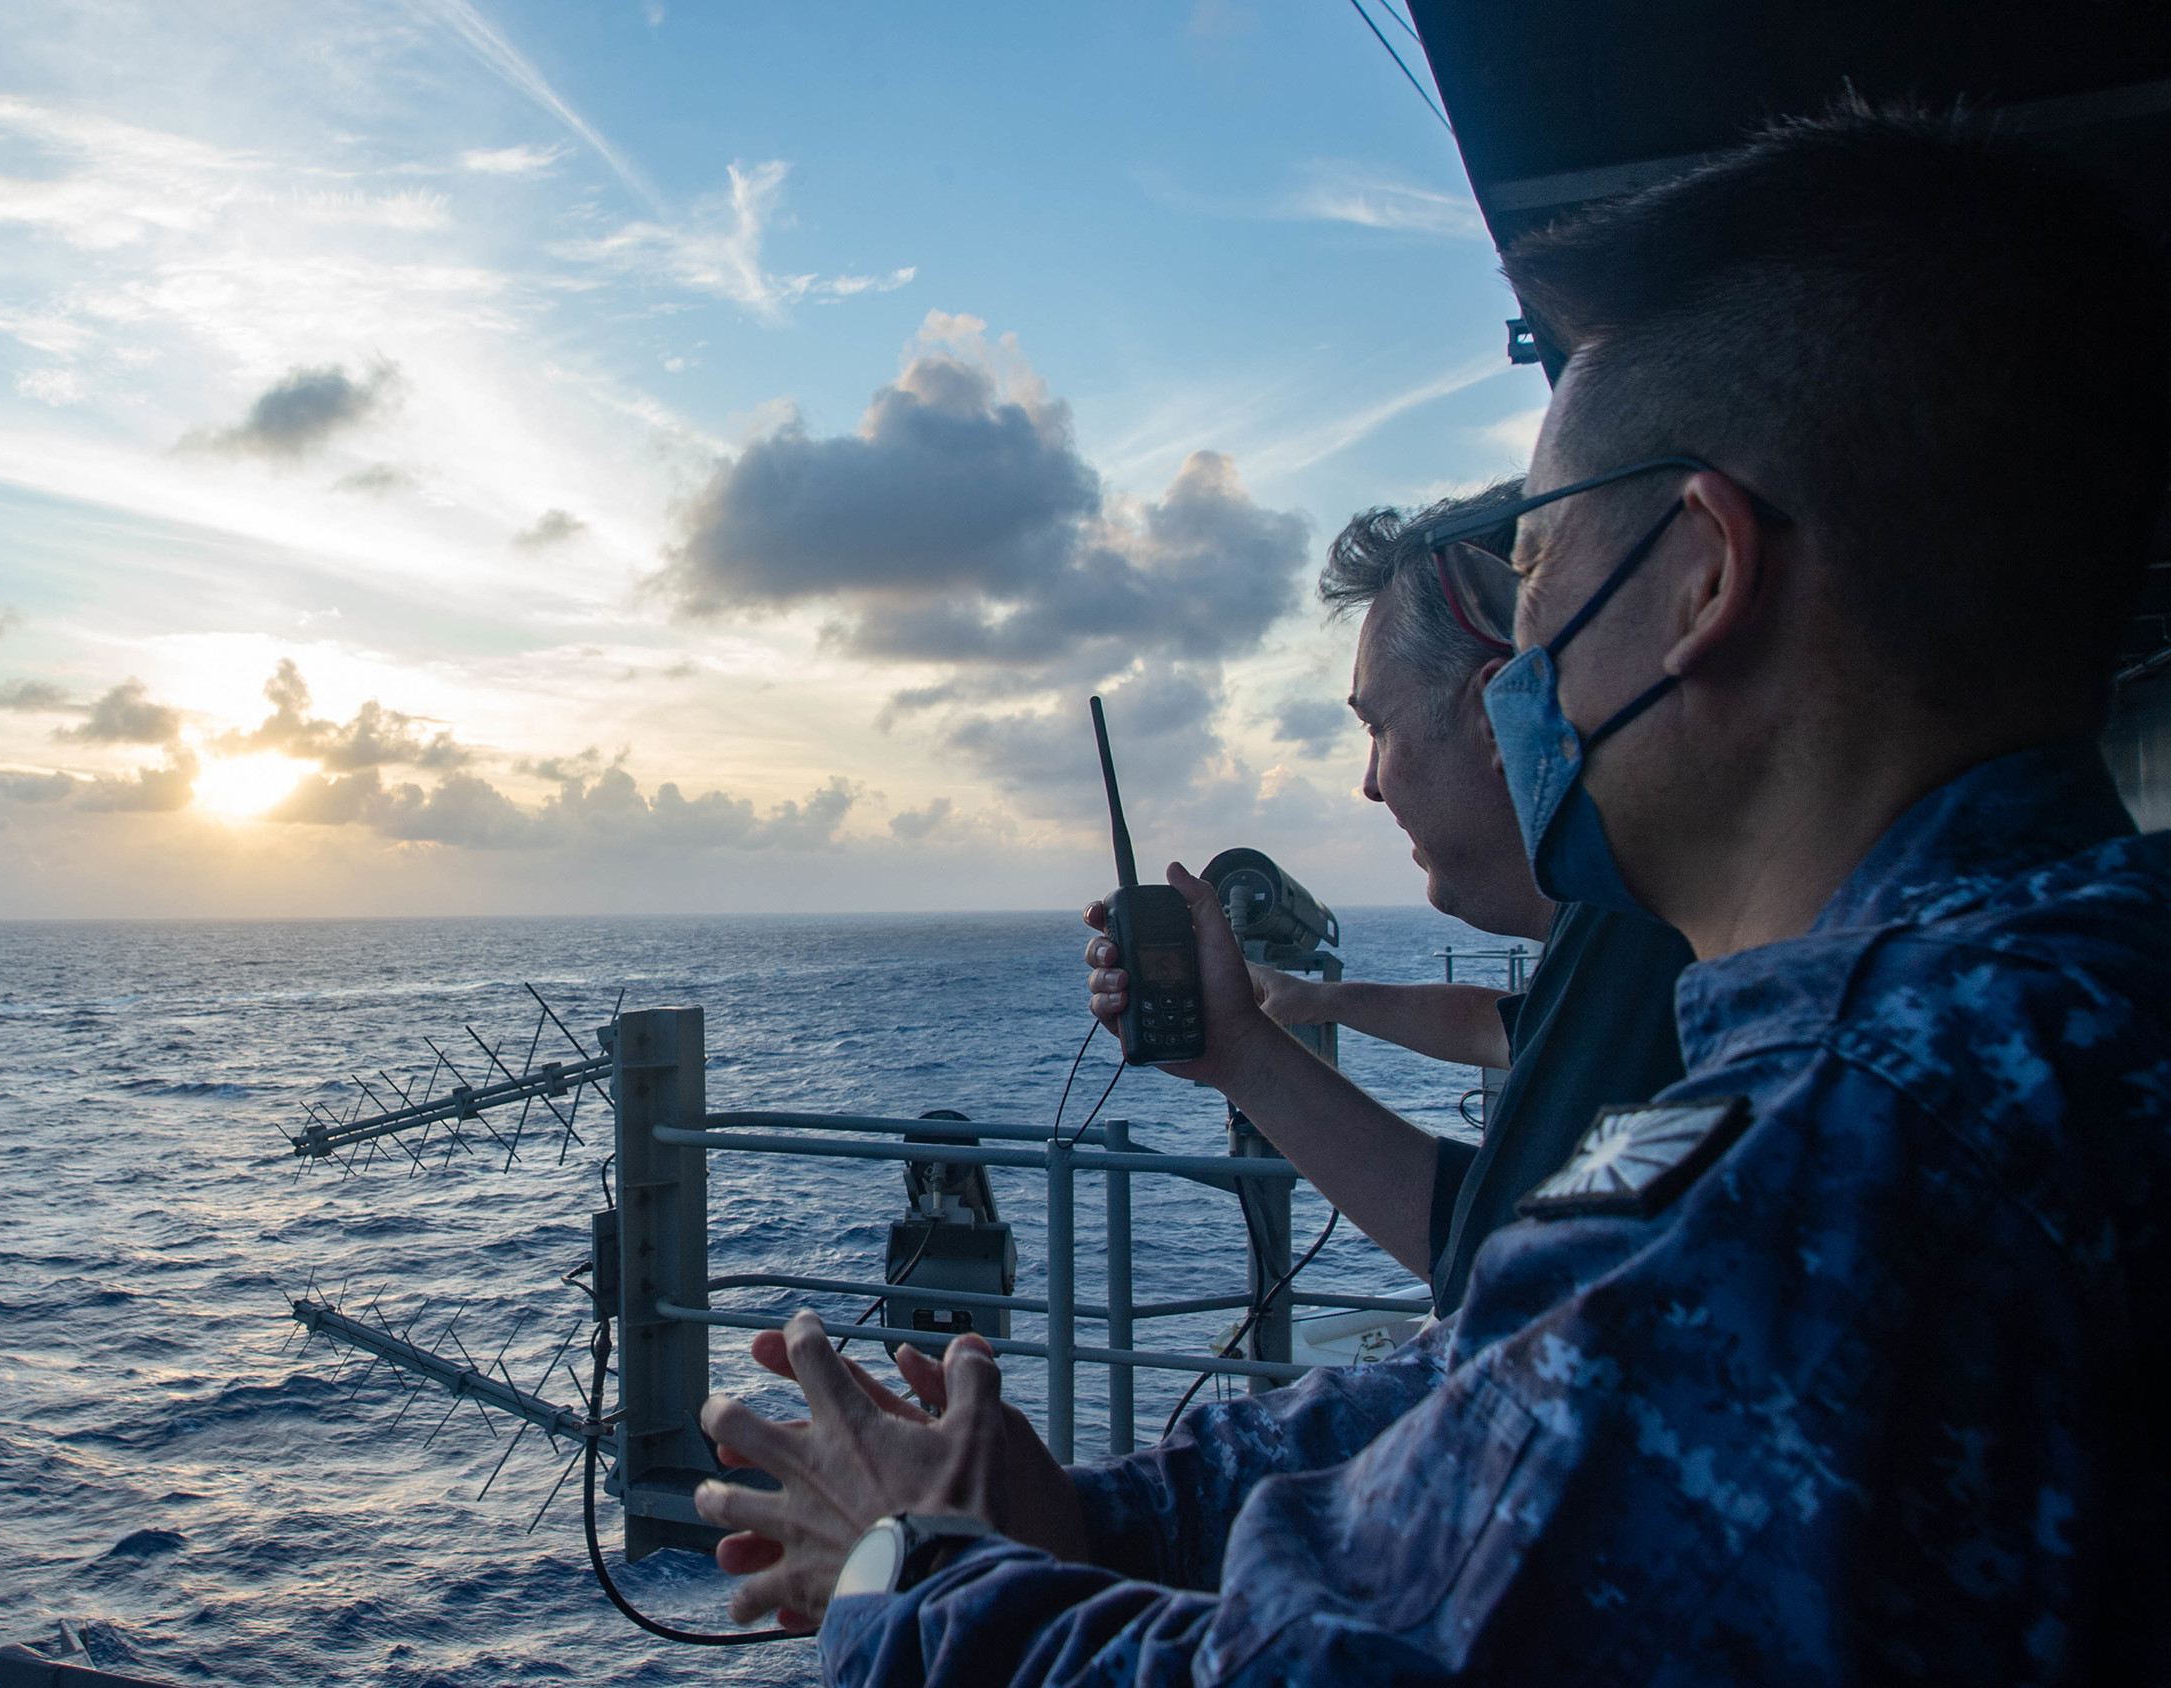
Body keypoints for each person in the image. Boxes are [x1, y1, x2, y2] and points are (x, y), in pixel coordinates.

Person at [691, 102, 2171, 1683]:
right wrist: (1106, 1517)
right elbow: (1499, 1386)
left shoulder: (1846, 1147)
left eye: (1536, 577)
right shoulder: (2059, 997)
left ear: (1702, 577)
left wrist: (905, 1589)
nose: (1513, 680)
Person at [1084, 485, 1695, 1310]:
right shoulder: (1633, 943)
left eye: (1378, 729)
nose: (1370, 784)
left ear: (1495, 712)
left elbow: (1516, 1297)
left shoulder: (1658, 954)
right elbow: (1486, 1247)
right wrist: (1239, 1046)